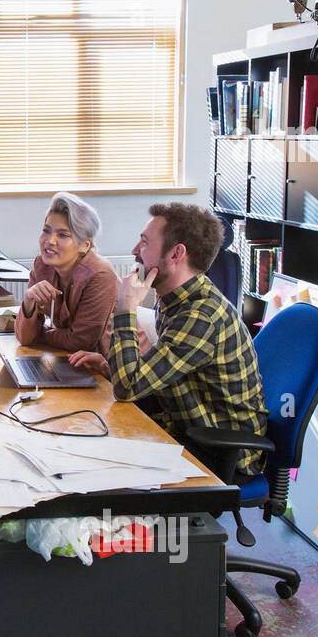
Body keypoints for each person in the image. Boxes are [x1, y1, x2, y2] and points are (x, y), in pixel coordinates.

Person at [70, 202, 268, 480]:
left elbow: (129, 388)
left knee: (89, 468)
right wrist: (108, 366)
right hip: (184, 424)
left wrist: (125, 308)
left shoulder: (201, 317)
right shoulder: (173, 300)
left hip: (218, 450)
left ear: (176, 253)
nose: (135, 251)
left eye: (144, 243)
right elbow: (158, 376)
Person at [14, 192, 118, 355]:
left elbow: (80, 342)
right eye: (46, 231)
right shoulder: (42, 266)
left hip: (112, 370)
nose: (50, 240)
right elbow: (25, 338)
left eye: (62, 235)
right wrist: (28, 301)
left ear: (85, 245)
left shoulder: (100, 275)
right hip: (71, 362)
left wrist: (41, 334)